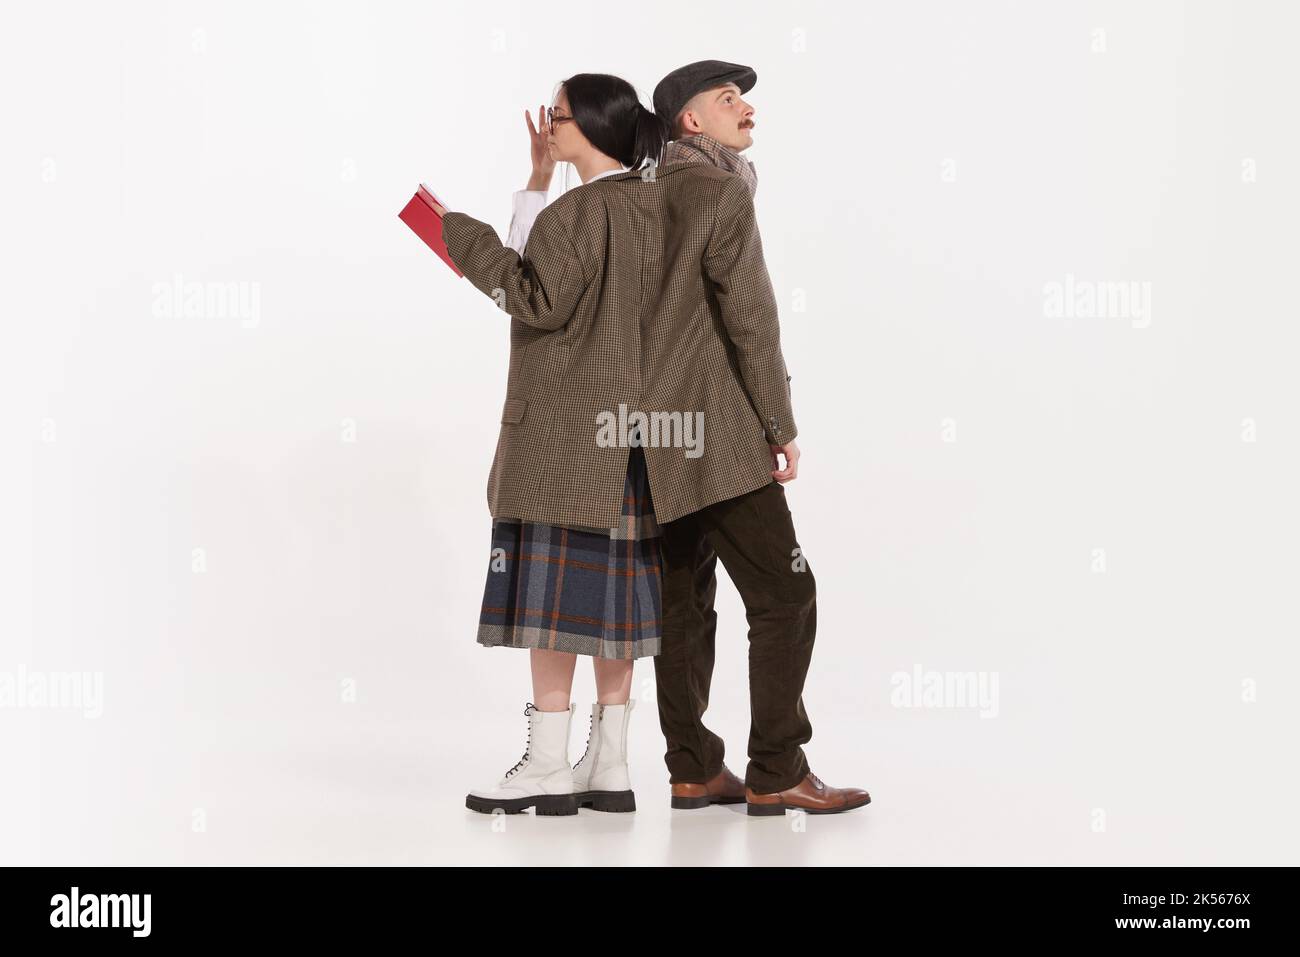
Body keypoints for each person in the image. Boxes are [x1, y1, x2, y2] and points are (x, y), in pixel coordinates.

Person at [432, 75, 670, 816]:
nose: (548, 125)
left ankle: (545, 763)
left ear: (590, 126)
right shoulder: (661, 208)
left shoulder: (579, 211)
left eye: (558, 116)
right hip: (640, 440)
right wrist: (538, 177)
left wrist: (460, 235)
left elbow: (534, 295)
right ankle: (612, 763)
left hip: (565, 439)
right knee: (616, 604)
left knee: (555, 606)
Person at [646, 59, 870, 815]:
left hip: (653, 433)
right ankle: (777, 767)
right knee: (785, 591)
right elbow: (750, 316)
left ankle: (691, 767)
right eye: (727, 99)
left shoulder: (639, 194)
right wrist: (780, 424)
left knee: (684, 600)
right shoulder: (720, 191)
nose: (746, 109)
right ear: (690, 121)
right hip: (720, 431)